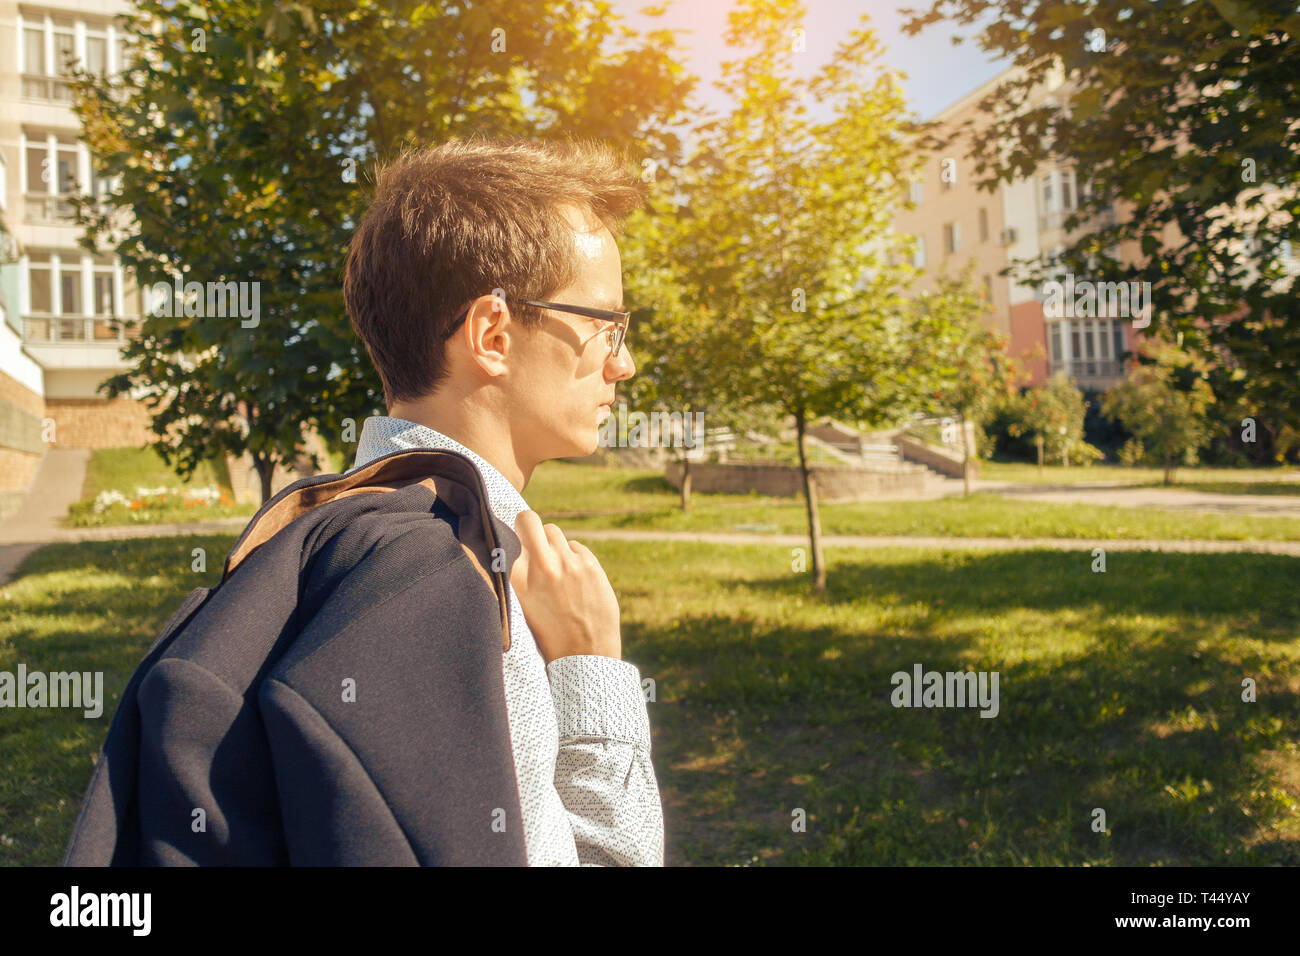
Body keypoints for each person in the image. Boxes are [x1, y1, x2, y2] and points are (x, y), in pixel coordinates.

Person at [340, 137, 663, 866]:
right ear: (491, 333)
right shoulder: (460, 584)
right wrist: (591, 667)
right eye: (604, 323)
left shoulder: (326, 526)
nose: (624, 361)